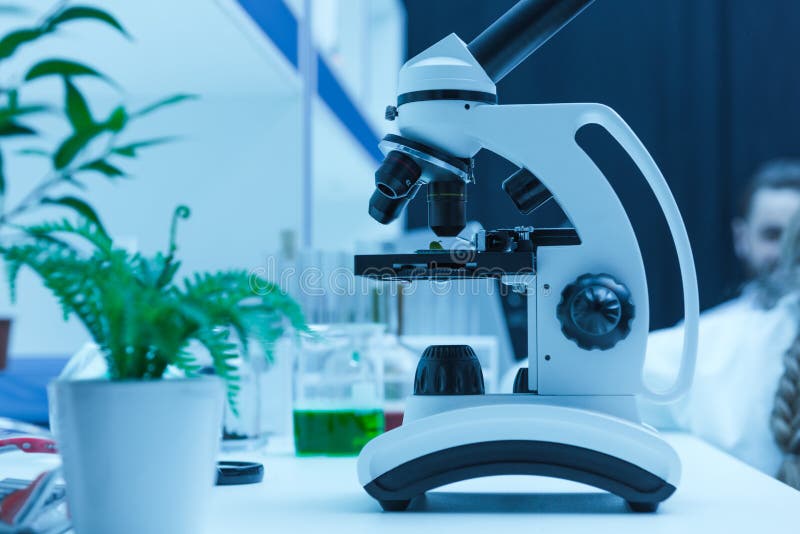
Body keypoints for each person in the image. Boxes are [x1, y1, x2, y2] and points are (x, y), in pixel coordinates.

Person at [643, 159, 800, 488]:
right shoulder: (699, 347)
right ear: (742, 237)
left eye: (794, 238)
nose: (786, 255)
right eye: (773, 235)